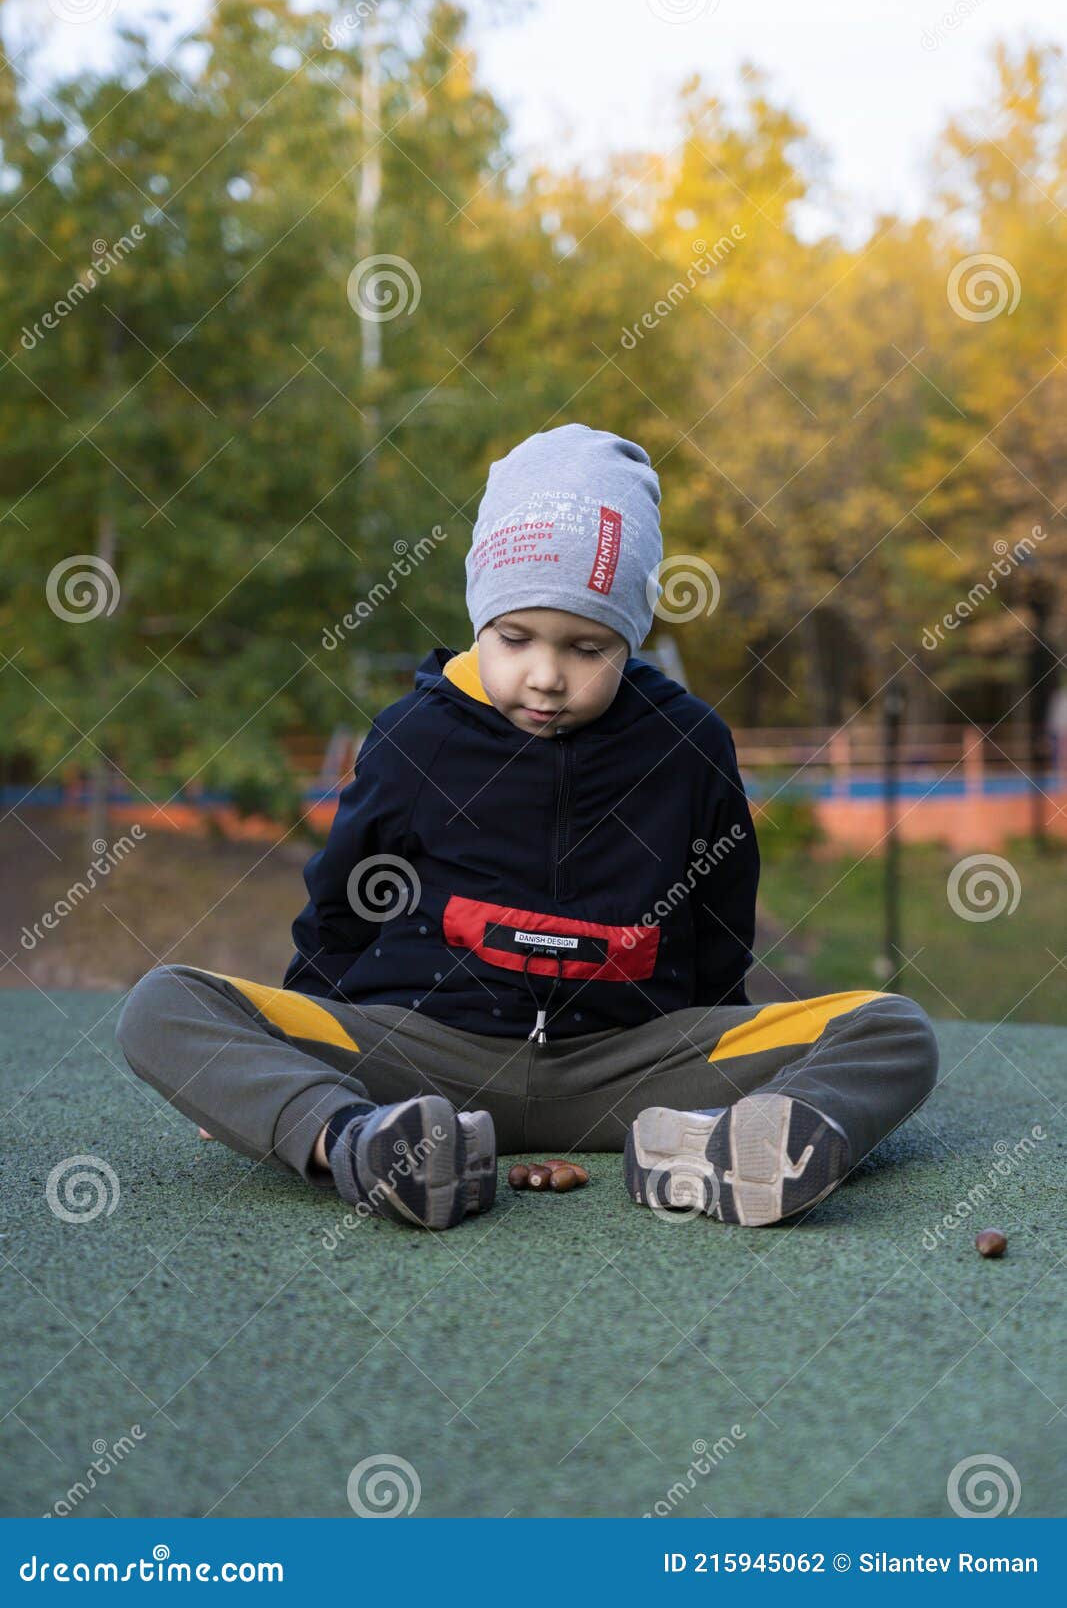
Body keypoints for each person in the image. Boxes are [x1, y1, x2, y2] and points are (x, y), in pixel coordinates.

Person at [116, 423, 938, 1231]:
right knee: (164, 1003)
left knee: (892, 1028)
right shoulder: (416, 735)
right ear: (480, 614)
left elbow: (719, 925)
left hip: (625, 1069)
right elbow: (340, 911)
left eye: (587, 648)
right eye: (516, 639)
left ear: (634, 633)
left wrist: (718, 1053)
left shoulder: (688, 744)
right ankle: (359, 1143)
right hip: (420, 1060)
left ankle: (730, 1145)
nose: (545, 677)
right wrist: (277, 1076)